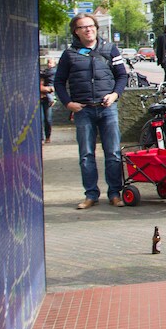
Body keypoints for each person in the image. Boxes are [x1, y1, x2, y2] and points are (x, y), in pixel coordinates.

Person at [53, 13, 128, 209]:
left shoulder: (110, 49)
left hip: (107, 108)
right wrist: (68, 103)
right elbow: (59, 82)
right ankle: (91, 195)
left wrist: (114, 95)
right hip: (83, 110)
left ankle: (115, 193)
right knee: (86, 154)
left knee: (113, 153)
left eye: (91, 26)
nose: (88, 30)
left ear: (96, 28)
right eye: (83, 27)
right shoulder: (69, 54)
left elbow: (122, 76)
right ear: (76, 32)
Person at [39, 58, 56, 144]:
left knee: (48, 119)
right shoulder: (44, 74)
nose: (49, 64)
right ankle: (41, 138)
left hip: (47, 99)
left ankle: (47, 136)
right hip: (40, 99)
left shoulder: (50, 73)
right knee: (40, 119)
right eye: (48, 63)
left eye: (51, 63)